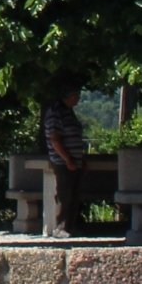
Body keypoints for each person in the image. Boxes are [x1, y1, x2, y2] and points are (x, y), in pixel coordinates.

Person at [40, 82, 91, 234]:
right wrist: (67, 159)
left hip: (75, 161)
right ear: (67, 97)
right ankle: (61, 228)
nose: (78, 99)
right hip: (63, 162)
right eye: (75, 96)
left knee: (74, 195)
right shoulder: (56, 112)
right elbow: (55, 139)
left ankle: (70, 227)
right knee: (65, 195)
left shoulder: (69, 111)